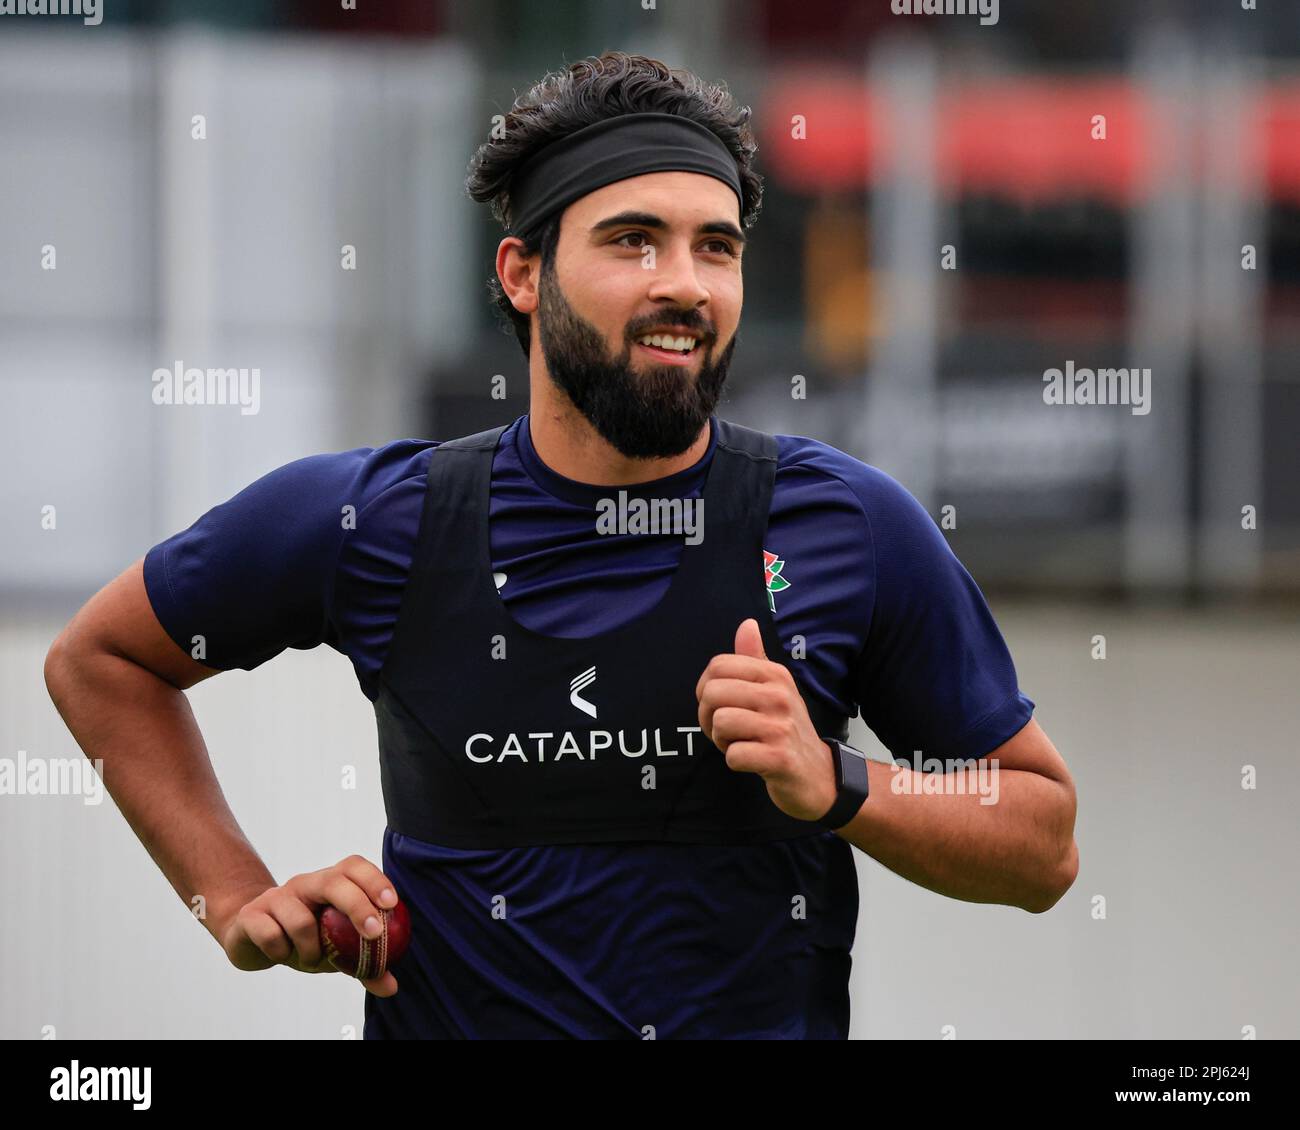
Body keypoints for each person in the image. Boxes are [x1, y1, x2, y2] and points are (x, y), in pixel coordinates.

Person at [44, 51, 1078, 1039]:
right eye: (634, 239)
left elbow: (1042, 841)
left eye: (714, 246)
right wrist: (233, 894)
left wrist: (839, 781)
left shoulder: (846, 523)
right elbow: (102, 658)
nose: (686, 283)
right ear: (523, 273)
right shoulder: (376, 519)